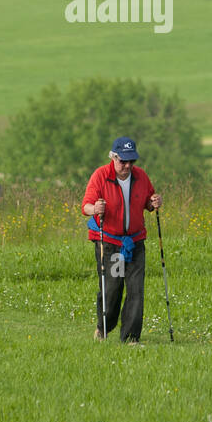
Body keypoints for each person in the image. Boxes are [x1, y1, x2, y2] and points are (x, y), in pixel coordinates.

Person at [82, 137, 162, 344]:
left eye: (131, 161)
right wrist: (95, 209)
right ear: (113, 157)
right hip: (111, 244)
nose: (127, 166)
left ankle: (131, 338)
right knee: (113, 289)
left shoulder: (141, 177)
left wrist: (154, 202)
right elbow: (86, 206)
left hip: (134, 243)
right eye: (123, 161)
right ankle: (103, 328)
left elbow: (149, 200)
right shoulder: (101, 176)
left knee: (136, 289)